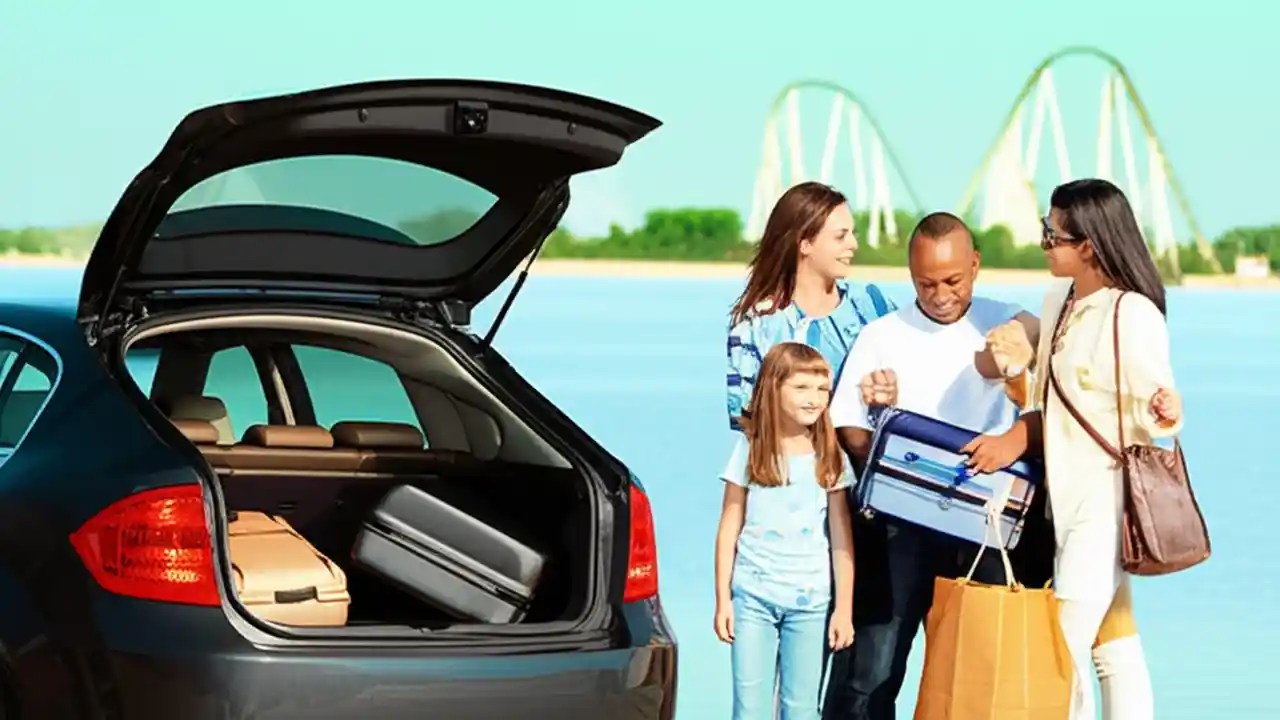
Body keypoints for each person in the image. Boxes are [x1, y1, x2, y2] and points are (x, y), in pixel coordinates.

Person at [965, 178, 1179, 720]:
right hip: (1060, 497)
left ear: (1087, 243)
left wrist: (1165, 409)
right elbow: (1042, 397)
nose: (1044, 243)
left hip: (1106, 500)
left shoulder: (1132, 312)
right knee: (1113, 640)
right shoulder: (1059, 299)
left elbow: (1156, 410)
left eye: (1052, 234)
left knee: (1063, 645)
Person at [819, 211, 1040, 719]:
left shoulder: (1006, 319)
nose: (940, 295)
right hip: (899, 524)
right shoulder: (882, 334)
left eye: (952, 281)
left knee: (978, 673)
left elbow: (1045, 408)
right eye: (925, 283)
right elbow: (846, 425)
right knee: (870, 672)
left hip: (985, 526)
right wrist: (887, 443)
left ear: (976, 265)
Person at [713, 342, 857, 720]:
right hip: (752, 598)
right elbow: (729, 525)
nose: (814, 399)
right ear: (773, 388)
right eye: (802, 387)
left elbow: (842, 536)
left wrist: (844, 609)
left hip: (811, 602)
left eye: (822, 389)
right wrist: (723, 600)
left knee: (801, 708)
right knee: (749, 708)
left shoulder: (830, 455)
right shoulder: (751, 447)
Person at [727, 182, 897, 432]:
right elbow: (745, 419)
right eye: (840, 236)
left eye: (853, 234)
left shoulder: (873, 304)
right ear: (804, 244)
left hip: (873, 466)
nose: (853, 245)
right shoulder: (756, 325)